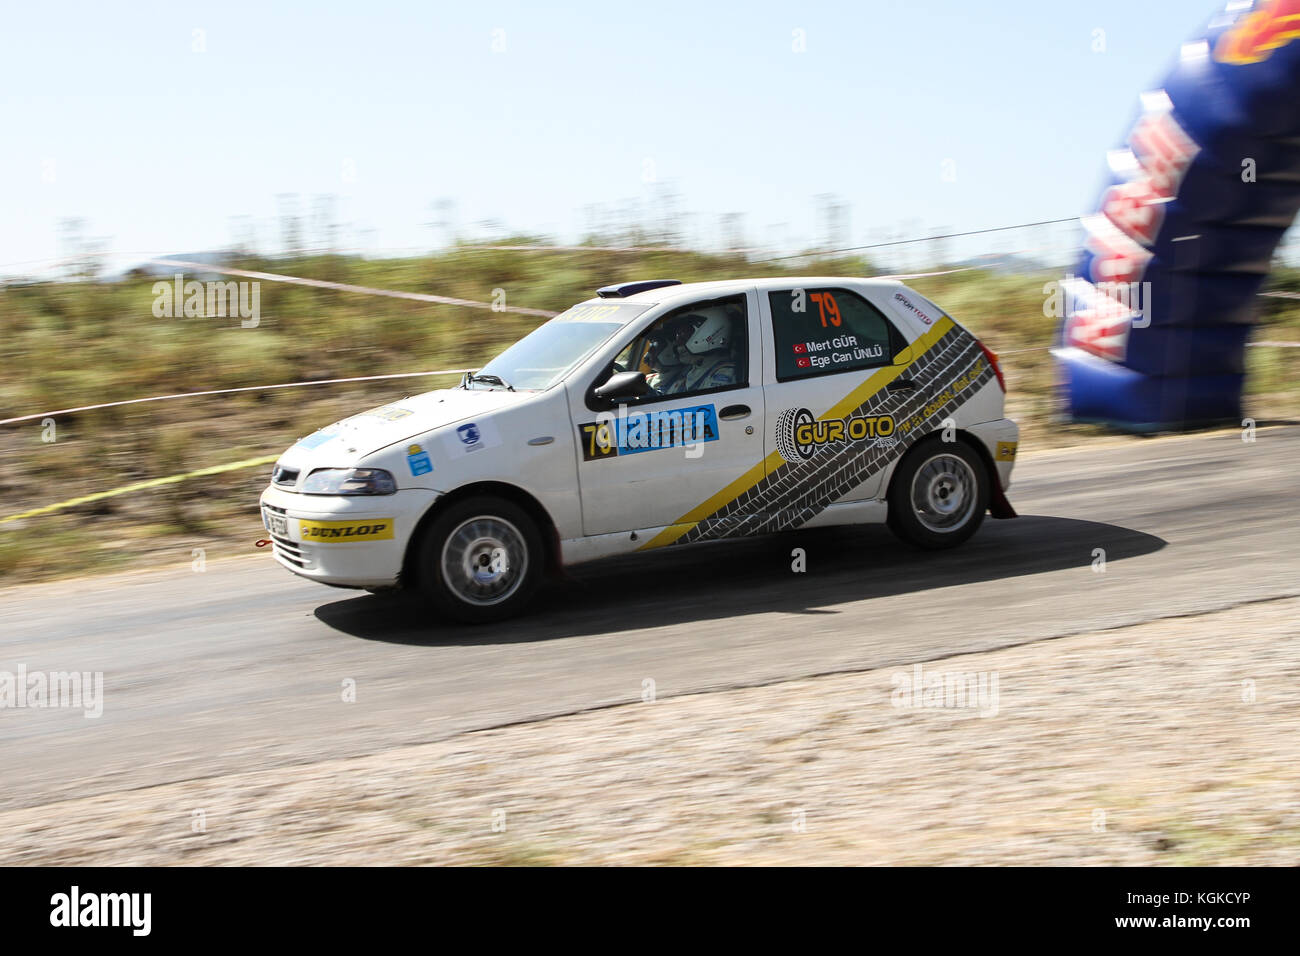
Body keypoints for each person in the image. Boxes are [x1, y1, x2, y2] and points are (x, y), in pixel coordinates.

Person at [665, 310, 737, 394]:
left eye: (682, 334)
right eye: (677, 335)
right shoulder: (692, 371)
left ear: (708, 331)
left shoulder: (724, 373)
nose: (677, 342)